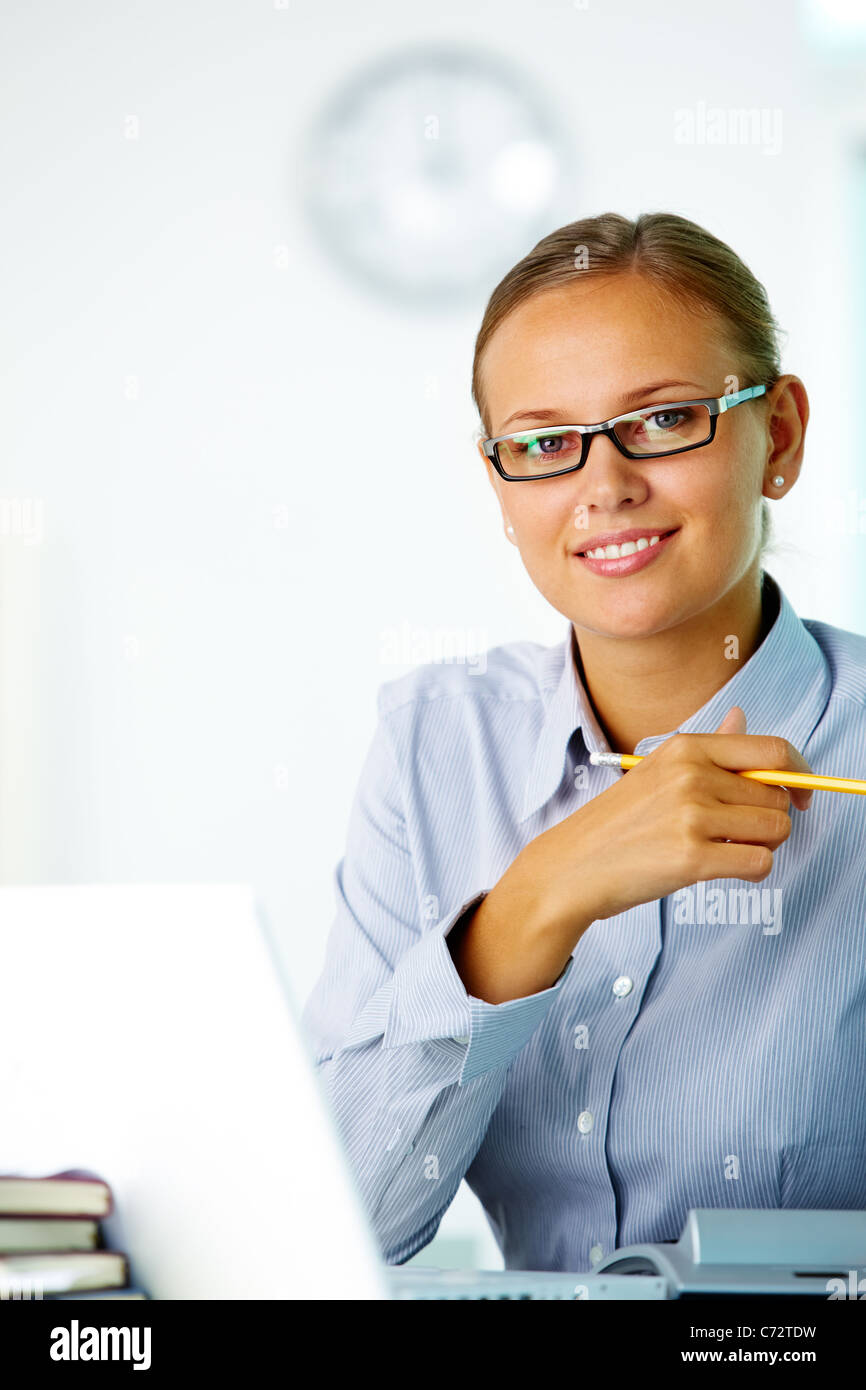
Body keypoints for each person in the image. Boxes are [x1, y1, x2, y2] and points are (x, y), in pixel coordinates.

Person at [300, 212, 866, 1274]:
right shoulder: (434, 746)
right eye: (544, 443)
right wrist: (533, 901)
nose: (603, 486)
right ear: (500, 484)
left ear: (777, 436)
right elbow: (337, 1225)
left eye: (661, 421)